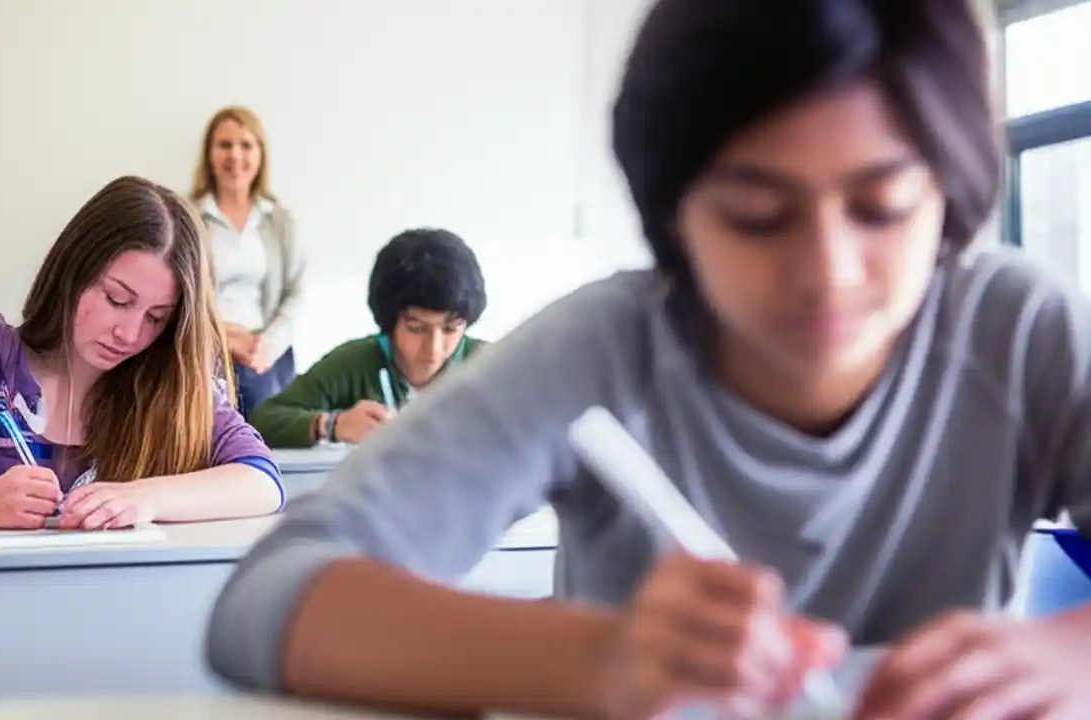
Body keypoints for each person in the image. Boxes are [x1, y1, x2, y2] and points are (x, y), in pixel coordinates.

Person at [205, 1, 1091, 718]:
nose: (827, 272)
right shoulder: (603, 351)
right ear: (673, 213)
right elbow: (268, 601)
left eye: (885, 205)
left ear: (956, 190)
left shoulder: (1018, 328)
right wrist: (598, 660)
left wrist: (1063, 656)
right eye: (756, 215)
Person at [0, 176, 283, 530]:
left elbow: (262, 480)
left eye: (157, 317)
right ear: (72, 271)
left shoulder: (174, 385)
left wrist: (146, 499)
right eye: (116, 300)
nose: (129, 332)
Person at [250, 228, 488, 448]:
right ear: (389, 321)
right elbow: (264, 421)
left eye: (450, 328)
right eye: (416, 328)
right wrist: (331, 424)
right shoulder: (355, 363)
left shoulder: (491, 364)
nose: (434, 349)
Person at [191, 106, 306, 415]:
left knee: (265, 422)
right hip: (203, 344)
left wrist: (265, 345)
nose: (235, 156)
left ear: (261, 154)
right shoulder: (188, 216)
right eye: (224, 145)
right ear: (209, 154)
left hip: (262, 351)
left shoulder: (279, 221)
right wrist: (221, 335)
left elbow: (297, 293)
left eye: (246, 145)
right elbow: (177, 292)